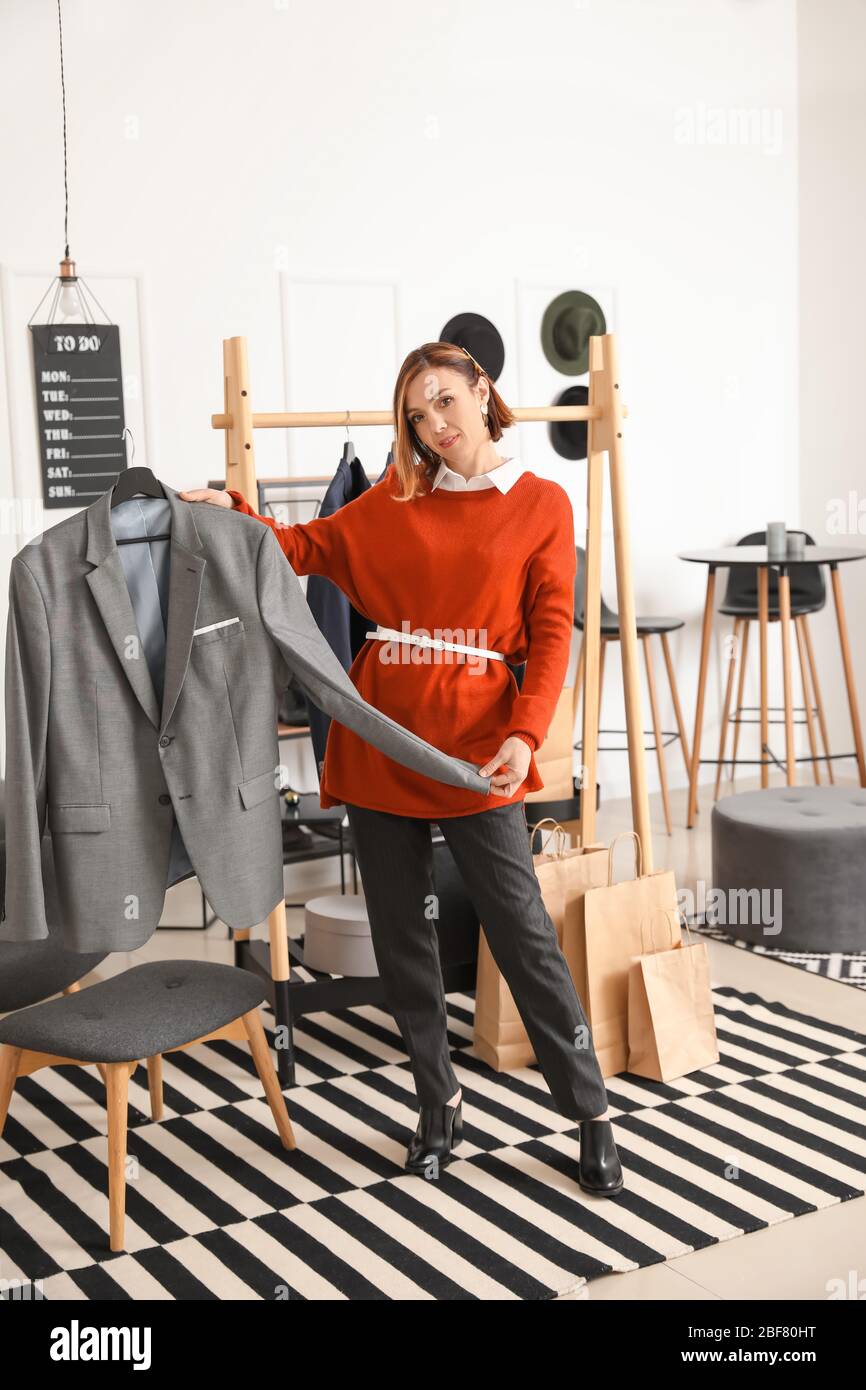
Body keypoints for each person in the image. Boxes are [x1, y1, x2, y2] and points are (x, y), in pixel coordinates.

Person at [179, 340, 623, 1196]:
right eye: (418, 416)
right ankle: (438, 1101)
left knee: (525, 936)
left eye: (445, 403)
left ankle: (590, 1110)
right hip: (382, 740)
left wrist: (527, 734)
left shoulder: (542, 503)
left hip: (478, 753)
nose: (434, 426)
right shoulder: (391, 500)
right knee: (402, 938)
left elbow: (556, 633)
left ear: (482, 391)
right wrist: (228, 510)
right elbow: (299, 546)